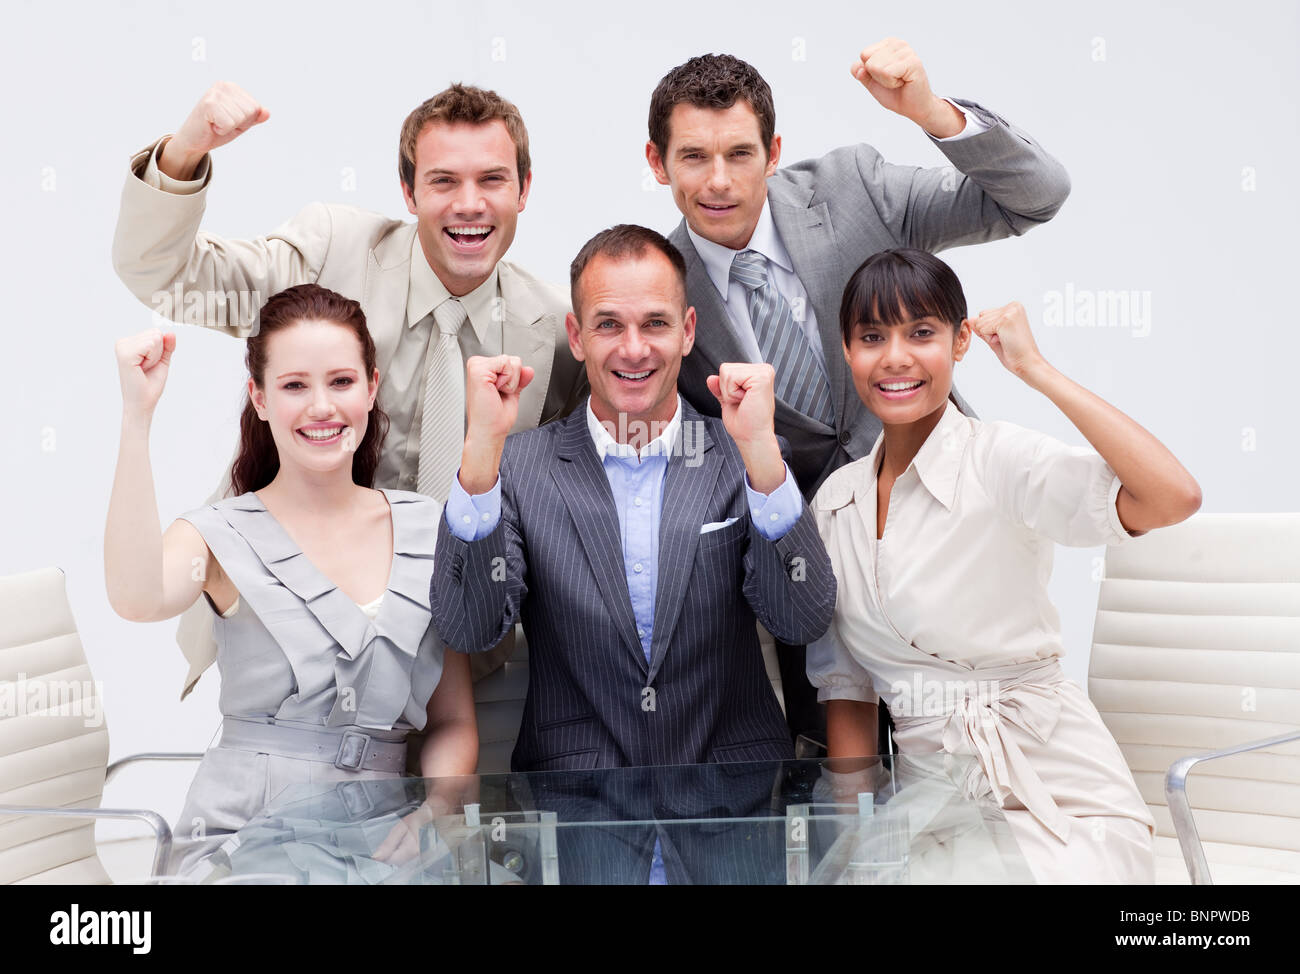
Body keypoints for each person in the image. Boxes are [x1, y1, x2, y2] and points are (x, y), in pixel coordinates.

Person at [645, 42, 1072, 741]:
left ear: (774, 150)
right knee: (844, 787)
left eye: (740, 154)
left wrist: (930, 113)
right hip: (815, 568)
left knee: (980, 747)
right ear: (658, 162)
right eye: (693, 157)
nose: (718, 181)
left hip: (946, 521)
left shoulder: (852, 189)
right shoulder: (664, 285)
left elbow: (1036, 198)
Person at [111, 81, 584, 697]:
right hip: (295, 650)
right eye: (442, 181)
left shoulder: (554, 329)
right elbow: (166, 277)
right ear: (408, 192)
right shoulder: (331, 253)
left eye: (492, 179)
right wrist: (188, 148)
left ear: (524, 188)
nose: (469, 204)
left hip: (458, 667)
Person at [806, 249, 1202, 883]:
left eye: (923, 332)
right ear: (847, 350)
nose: (896, 357)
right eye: (872, 337)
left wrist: (1034, 368)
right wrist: (858, 840)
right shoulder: (835, 504)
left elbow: (1172, 496)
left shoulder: (999, 460)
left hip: (1058, 800)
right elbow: (850, 696)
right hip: (927, 814)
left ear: (961, 341)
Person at [429, 225, 836, 774]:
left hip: (733, 813)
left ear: (688, 331)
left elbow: (803, 620)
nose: (634, 348)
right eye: (608, 325)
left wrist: (762, 454)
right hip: (579, 813)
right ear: (576, 336)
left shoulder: (745, 454)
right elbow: (468, 629)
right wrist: (480, 452)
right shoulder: (519, 468)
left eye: (656, 323)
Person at [105, 285, 477, 876]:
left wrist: (436, 806)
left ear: (372, 387)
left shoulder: (428, 528)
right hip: (245, 838)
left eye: (341, 382)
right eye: (295, 385)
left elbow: (453, 719)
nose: (321, 406)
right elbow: (137, 596)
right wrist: (137, 417)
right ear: (259, 398)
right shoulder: (220, 533)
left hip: (382, 841)